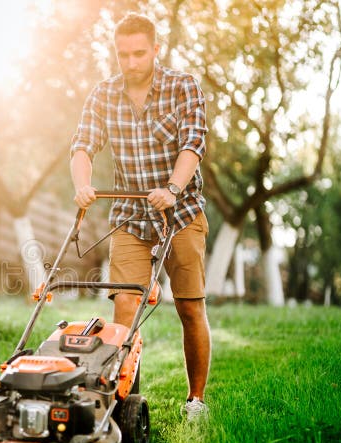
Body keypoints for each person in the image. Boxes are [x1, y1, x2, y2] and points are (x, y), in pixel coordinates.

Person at [69, 12, 211, 421]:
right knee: (125, 309)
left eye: (138, 54)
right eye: (123, 55)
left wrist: (173, 188)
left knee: (189, 306)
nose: (130, 63)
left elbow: (193, 143)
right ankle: (128, 401)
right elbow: (82, 144)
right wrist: (82, 184)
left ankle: (196, 402)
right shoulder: (103, 94)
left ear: (155, 50)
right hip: (130, 215)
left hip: (180, 211)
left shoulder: (183, 87)